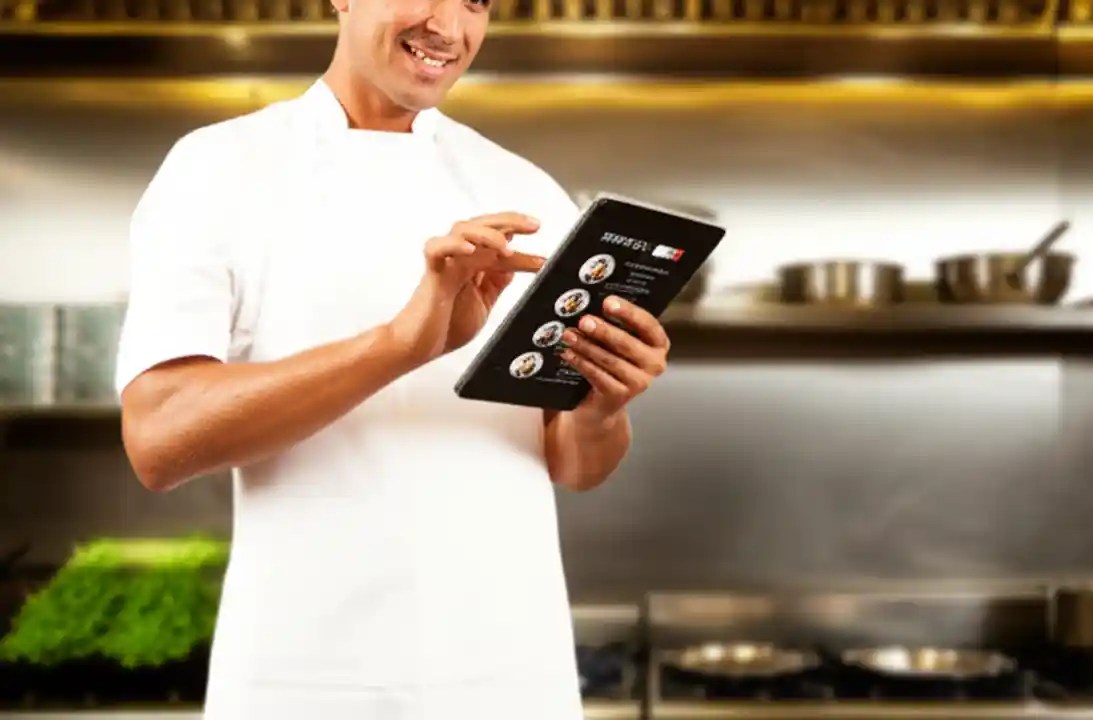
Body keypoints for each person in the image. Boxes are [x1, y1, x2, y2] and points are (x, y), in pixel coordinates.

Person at [112, 0, 673, 716]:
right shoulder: (218, 170)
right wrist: (401, 345)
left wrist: (603, 405)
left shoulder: (526, 193)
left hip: (509, 676)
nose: (449, 26)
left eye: (475, 1)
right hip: (308, 681)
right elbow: (159, 440)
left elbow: (572, 464)